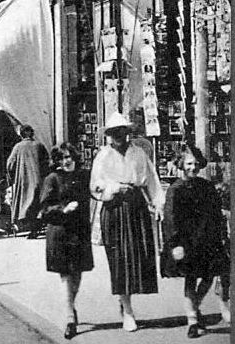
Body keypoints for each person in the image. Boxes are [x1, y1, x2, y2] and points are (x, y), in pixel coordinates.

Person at [89, 113, 163, 332]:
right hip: (114, 209)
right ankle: (128, 310)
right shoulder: (103, 156)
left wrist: (158, 204)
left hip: (136, 207)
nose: (119, 136)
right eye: (114, 133)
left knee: (138, 257)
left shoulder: (138, 153)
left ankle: (126, 302)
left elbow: (152, 179)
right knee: (120, 259)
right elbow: (95, 185)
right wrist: (112, 188)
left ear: (127, 133)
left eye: (122, 132)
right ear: (109, 135)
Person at [161, 145, 231, 338]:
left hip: (206, 239)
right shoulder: (175, 190)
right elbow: (170, 218)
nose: (193, 167)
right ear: (181, 164)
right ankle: (192, 320)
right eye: (188, 163)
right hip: (186, 242)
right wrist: (175, 244)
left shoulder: (206, 186)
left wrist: (221, 236)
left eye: (195, 163)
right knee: (190, 278)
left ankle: (196, 305)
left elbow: (215, 213)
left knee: (209, 276)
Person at [39, 143, 94, 340]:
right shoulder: (52, 179)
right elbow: (44, 209)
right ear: (58, 161)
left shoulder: (83, 176)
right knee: (65, 275)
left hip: (79, 231)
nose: (67, 161)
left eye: (69, 157)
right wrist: (63, 209)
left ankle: (71, 305)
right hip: (60, 232)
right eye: (62, 158)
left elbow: (95, 190)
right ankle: (69, 317)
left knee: (77, 274)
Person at [7, 125, 49, 239]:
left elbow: (10, 164)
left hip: (24, 181)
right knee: (37, 204)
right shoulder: (39, 145)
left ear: (21, 134)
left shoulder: (18, 147)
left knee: (25, 205)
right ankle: (36, 229)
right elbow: (47, 162)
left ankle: (32, 229)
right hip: (39, 180)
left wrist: (12, 177)